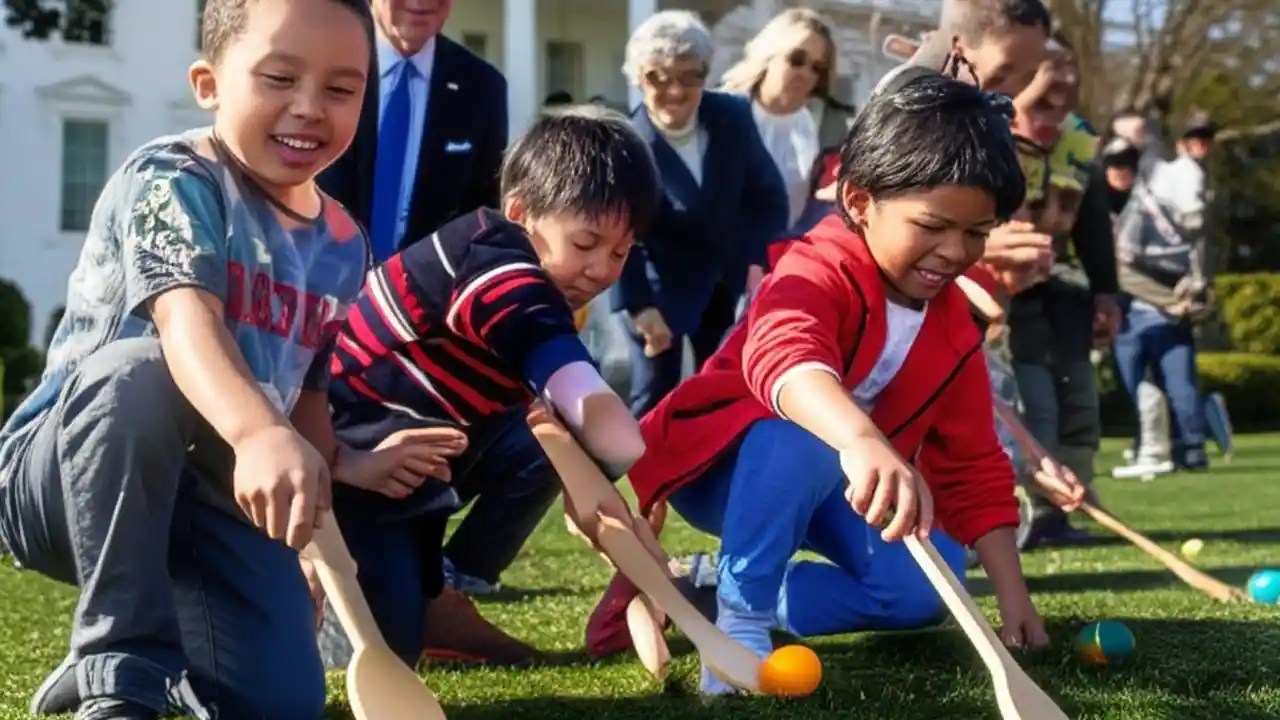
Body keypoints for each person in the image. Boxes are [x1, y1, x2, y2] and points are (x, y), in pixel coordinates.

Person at [590, 74, 1082, 695]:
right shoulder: (814, 268)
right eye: (931, 225)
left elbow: (973, 461)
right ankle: (741, 622)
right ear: (858, 200)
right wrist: (860, 436)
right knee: (805, 438)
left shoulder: (953, 324)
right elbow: (783, 356)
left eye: (976, 232)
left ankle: (711, 591)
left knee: (919, 592)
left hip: (844, 485)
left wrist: (1014, 598)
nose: (954, 251)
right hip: (723, 467)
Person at [0, 0, 379, 717]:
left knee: (283, 703)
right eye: (278, 77)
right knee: (140, 371)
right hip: (69, 478)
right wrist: (261, 434)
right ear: (208, 84)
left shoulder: (343, 245)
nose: (308, 108)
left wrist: (311, 536)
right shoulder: (174, 179)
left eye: (340, 89)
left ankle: (174, 658)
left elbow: (309, 404)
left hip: (217, 491)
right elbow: (186, 322)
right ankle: (118, 669)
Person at [316, 107, 662, 671]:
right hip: (352, 458)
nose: (601, 269)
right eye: (586, 242)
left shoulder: (541, 284)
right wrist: (613, 446)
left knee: (550, 438)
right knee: (385, 644)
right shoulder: (494, 261)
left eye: (620, 253)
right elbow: (597, 415)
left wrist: (627, 538)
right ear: (521, 213)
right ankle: (325, 585)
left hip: (420, 458)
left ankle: (444, 584)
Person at [612, 10, 789, 416]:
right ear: (638, 77)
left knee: (722, 390)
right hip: (657, 289)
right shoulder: (623, 141)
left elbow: (767, 197)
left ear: (706, 75)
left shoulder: (732, 117)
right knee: (653, 396)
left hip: (725, 285)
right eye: (659, 76)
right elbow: (617, 232)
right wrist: (640, 308)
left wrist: (756, 261)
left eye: (689, 76)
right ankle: (639, 478)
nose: (675, 90)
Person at [1001, 33, 1121, 546]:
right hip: (1008, 303)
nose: (1056, 92)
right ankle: (1031, 509)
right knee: (1035, 407)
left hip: (1063, 298)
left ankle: (1069, 508)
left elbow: (1093, 229)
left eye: (1065, 80)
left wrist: (1107, 294)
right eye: (1043, 81)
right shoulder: (992, 134)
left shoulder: (1077, 143)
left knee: (1079, 404)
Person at [318, 0, 508, 264]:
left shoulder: (483, 88)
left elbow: (482, 213)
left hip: (423, 297)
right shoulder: (322, 62)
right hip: (314, 286)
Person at [1112, 114, 1220, 473]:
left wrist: (1196, 291)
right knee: (1140, 383)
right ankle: (1158, 444)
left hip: (1164, 303)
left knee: (1175, 382)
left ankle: (1184, 446)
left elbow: (1197, 243)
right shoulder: (1164, 183)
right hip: (1139, 305)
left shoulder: (1178, 182)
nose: (1200, 145)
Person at [719, 8, 857, 230]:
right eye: (797, 59)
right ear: (769, 55)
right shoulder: (723, 111)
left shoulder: (824, 129)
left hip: (782, 254)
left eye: (817, 68)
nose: (805, 73)